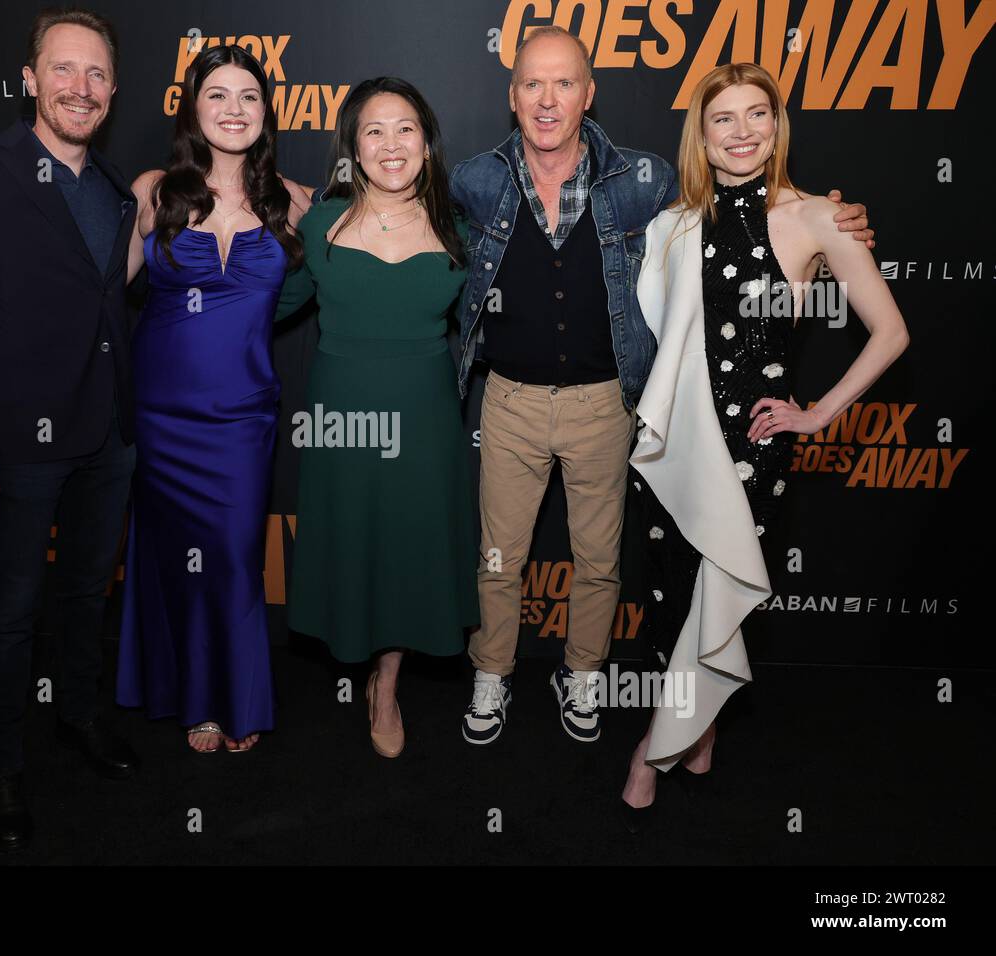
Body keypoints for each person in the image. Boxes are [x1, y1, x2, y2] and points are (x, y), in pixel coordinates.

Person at [449, 26, 874, 747]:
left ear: (590, 93)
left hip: (608, 403)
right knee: (500, 557)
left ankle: (582, 673)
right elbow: (399, 212)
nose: (547, 100)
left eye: (564, 83)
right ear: (511, 95)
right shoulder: (474, 179)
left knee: (599, 560)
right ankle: (492, 671)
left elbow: (733, 220)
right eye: (532, 83)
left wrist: (833, 227)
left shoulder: (642, 179)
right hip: (510, 401)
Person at [618, 62, 909, 830]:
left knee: (717, 598)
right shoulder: (676, 222)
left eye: (759, 115)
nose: (742, 132)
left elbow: (891, 331)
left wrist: (816, 415)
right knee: (672, 598)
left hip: (752, 450)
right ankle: (699, 729)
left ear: (778, 127)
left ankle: (654, 745)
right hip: (674, 447)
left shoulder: (817, 218)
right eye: (724, 119)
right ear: (702, 135)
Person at [0, 8, 139, 852]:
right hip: (18, 440)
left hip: (109, 432)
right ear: (30, 78)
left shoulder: (114, 187)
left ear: (112, 92)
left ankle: (77, 719)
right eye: (64, 70)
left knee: (88, 593)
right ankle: (0, 763)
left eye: (94, 76)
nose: (79, 88)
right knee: (10, 610)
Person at [115, 44, 311, 754]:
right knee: (174, 554)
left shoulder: (294, 202)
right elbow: (104, 300)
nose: (234, 109)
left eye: (249, 97)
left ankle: (236, 694)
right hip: (163, 418)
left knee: (231, 556)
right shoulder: (153, 192)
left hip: (242, 418)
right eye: (218, 95)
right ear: (193, 108)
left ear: (266, 113)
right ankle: (198, 701)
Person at [277, 78, 479, 758]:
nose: (391, 144)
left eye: (405, 129)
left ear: (426, 142)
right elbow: (273, 305)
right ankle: (359, 662)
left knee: (408, 546)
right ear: (353, 148)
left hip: (424, 419)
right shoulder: (319, 222)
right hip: (342, 419)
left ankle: (386, 685)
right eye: (374, 131)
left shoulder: (462, 226)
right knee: (356, 538)